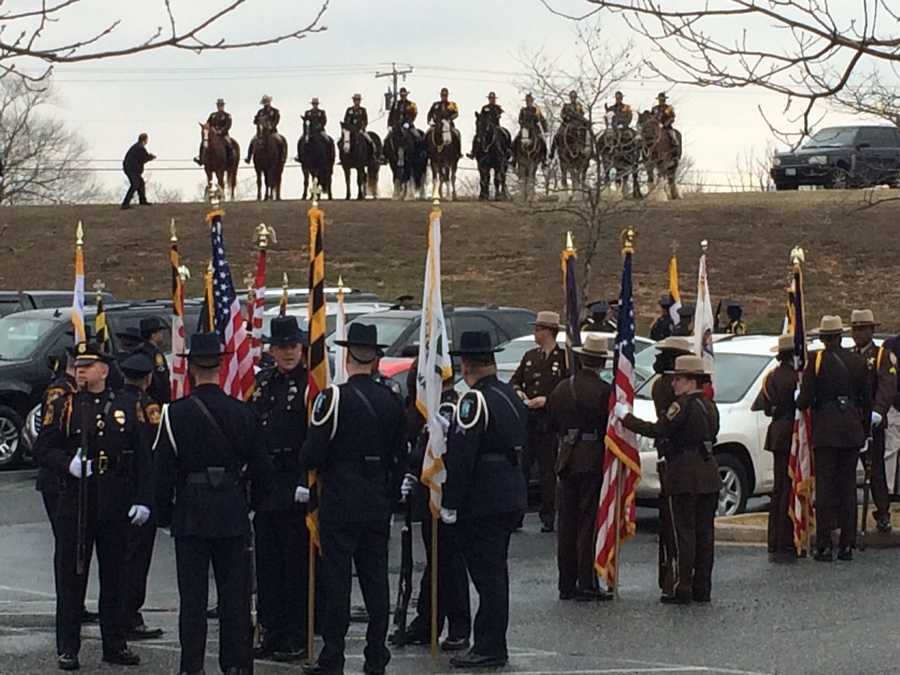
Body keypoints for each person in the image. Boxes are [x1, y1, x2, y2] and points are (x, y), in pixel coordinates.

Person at [153, 332, 274, 675]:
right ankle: (236, 665)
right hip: (232, 512)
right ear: (221, 367)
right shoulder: (243, 413)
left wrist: (165, 513)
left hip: (191, 512)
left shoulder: (174, 415)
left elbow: (162, 472)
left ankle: (192, 667)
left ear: (190, 368)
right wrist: (249, 503)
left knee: (193, 601)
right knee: (235, 600)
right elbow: (263, 470)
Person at [34, 341, 151, 671]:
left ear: (105, 369)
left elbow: (142, 456)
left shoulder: (127, 404)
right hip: (76, 499)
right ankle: (68, 647)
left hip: (114, 497)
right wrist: (66, 463)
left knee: (115, 575)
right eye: (78, 364)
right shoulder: (66, 405)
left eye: (89, 364)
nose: (81, 369)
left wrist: (144, 499)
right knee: (71, 577)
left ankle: (115, 643)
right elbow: (42, 448)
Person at [300, 323, 405, 675]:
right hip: (377, 498)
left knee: (338, 581)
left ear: (347, 357)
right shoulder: (392, 398)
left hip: (342, 500)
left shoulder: (332, 399)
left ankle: (333, 655)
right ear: (375, 358)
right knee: (376, 581)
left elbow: (312, 454)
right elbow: (400, 454)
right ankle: (376, 654)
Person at [442, 331, 527, 669]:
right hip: (509, 490)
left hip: (483, 498)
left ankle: (490, 645)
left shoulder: (472, 401)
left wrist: (451, 500)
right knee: (496, 574)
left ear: (465, 366)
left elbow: (463, 455)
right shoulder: (509, 395)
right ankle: (492, 642)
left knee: (488, 577)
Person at [619, 354, 720, 605]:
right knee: (705, 533)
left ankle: (683, 586)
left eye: (678, 379)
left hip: (685, 473)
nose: (673, 384)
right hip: (708, 473)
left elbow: (658, 429)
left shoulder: (682, 405)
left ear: (690, 381)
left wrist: (626, 418)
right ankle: (702, 586)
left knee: (683, 531)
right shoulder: (710, 405)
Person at [393, 365, 471, 651]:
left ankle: (459, 625)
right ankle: (428, 621)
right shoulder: (424, 409)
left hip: (446, 492)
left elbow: (450, 451)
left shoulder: (450, 408)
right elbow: (417, 444)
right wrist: (411, 473)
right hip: (428, 492)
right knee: (435, 561)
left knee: (450, 562)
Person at [249, 316, 311, 662]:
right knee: (268, 565)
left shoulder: (311, 383)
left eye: (292, 347)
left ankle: (296, 633)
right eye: (281, 347)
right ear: (271, 350)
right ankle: (270, 630)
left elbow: (315, 436)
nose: (287, 353)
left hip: (295, 481)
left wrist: (305, 480)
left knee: (296, 566)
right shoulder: (263, 382)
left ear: (301, 348)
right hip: (267, 482)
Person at [797, 315, 870, 562]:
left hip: (826, 429)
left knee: (826, 488)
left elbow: (805, 399)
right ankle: (847, 544)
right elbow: (866, 400)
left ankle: (825, 544)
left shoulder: (815, 362)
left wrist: (798, 399)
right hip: (851, 428)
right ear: (841, 336)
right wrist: (865, 431)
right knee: (848, 487)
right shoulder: (858, 361)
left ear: (823, 339)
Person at [34, 349, 98, 625]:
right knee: (68, 549)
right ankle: (71, 606)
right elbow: (45, 445)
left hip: (76, 481)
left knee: (77, 549)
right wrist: (67, 465)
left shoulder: (80, 392)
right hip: (57, 483)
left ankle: (77, 604)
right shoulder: (60, 392)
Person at [546, 334, 611, 602]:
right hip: (592, 456)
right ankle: (586, 582)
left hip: (566, 457)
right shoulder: (604, 391)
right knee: (587, 523)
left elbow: (551, 423)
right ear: (600, 364)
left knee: (567, 524)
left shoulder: (561, 388)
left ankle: (566, 583)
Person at [639, 336, 694, 595]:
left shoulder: (664, 385)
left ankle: (676, 577)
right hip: (674, 454)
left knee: (675, 522)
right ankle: (680, 578)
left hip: (674, 456)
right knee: (679, 524)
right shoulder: (667, 387)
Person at [117, 351, 165, 640]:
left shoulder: (115, 403)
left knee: (118, 556)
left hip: (116, 491)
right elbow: (157, 448)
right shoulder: (148, 407)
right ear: (148, 379)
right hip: (141, 490)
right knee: (137, 558)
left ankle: (117, 613)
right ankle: (131, 616)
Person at [509, 311, 569, 532]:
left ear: (548, 332)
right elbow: (515, 380)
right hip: (528, 420)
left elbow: (566, 389)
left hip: (549, 422)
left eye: (538, 329)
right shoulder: (530, 356)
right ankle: (517, 514)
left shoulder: (563, 359)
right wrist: (520, 394)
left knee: (547, 472)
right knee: (522, 469)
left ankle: (548, 515)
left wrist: (547, 400)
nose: (535, 333)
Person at [751, 335, 798, 562]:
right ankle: (786, 538)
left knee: (778, 488)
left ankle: (774, 538)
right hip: (792, 431)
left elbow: (765, 407)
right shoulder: (796, 378)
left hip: (777, 430)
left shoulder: (771, 377)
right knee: (788, 486)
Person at [851, 309, 897, 534]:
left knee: (876, 470)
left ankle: (883, 514)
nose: (858, 334)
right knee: (847, 470)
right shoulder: (849, 355)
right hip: (851, 422)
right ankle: (846, 513)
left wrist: (878, 412)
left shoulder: (881, 355)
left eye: (862, 329)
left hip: (873, 423)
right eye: (855, 329)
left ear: (871, 330)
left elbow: (888, 386)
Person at [140, 317, 171, 405]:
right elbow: (162, 377)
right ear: (153, 335)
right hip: (157, 398)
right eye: (159, 332)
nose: (162, 335)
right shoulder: (156, 354)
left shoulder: (140, 350)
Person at [195, 98, 234, 166]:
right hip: (213, 135)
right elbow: (208, 124)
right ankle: (201, 159)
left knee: (229, 144)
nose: (220, 106)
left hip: (223, 134)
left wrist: (221, 131)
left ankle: (230, 159)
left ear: (223, 106)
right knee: (204, 143)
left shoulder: (227, 115)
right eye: (218, 105)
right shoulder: (213, 115)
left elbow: (228, 125)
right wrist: (205, 126)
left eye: (221, 105)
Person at [121, 133, 155, 210]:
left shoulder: (137, 147)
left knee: (141, 183)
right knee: (135, 184)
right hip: (131, 169)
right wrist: (151, 157)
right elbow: (144, 158)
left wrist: (148, 157)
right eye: (147, 139)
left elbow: (141, 158)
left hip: (131, 169)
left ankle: (142, 200)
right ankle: (125, 203)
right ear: (145, 140)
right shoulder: (140, 148)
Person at [245, 94, 281, 164]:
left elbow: (276, 120)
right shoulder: (260, 112)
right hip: (261, 132)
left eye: (267, 102)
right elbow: (255, 121)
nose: (266, 103)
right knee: (253, 141)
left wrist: (271, 126)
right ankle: (248, 157)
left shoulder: (275, 111)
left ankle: (282, 157)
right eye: (265, 102)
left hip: (272, 131)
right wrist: (257, 120)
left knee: (280, 140)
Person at [468, 92, 504, 158]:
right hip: (486, 126)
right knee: (477, 136)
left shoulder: (498, 107)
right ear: (488, 99)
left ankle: (505, 151)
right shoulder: (485, 107)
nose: (492, 100)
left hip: (496, 126)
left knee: (503, 134)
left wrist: (498, 114)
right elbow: (482, 116)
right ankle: (473, 152)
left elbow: (499, 114)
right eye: (490, 98)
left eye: (493, 98)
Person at [427, 87, 461, 154]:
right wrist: (429, 121)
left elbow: (456, 113)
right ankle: (426, 152)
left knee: (457, 134)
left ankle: (458, 152)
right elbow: (430, 113)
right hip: (436, 125)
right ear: (440, 95)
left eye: (445, 95)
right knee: (427, 134)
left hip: (448, 125)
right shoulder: (435, 104)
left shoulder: (452, 105)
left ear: (447, 95)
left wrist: (449, 119)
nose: (444, 97)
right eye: (442, 95)